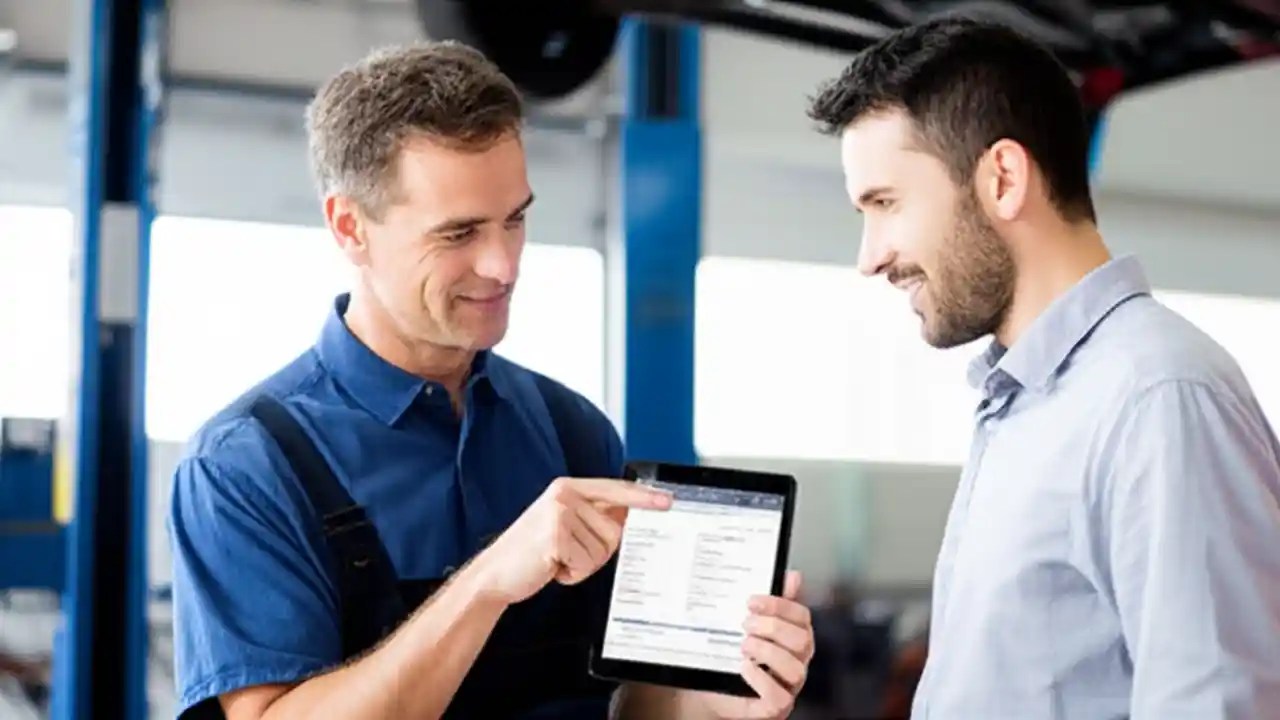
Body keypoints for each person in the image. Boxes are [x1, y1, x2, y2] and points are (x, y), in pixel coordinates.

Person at [168, 41, 814, 720]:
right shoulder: (245, 467)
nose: (504, 265)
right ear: (350, 227)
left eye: (515, 219)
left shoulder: (572, 432)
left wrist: (707, 703)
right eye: (459, 234)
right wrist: (488, 584)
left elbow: (627, 703)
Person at [806, 15, 1280, 720]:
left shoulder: (1158, 399)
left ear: (1002, 178)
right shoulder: (1028, 400)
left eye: (886, 203)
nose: (870, 256)